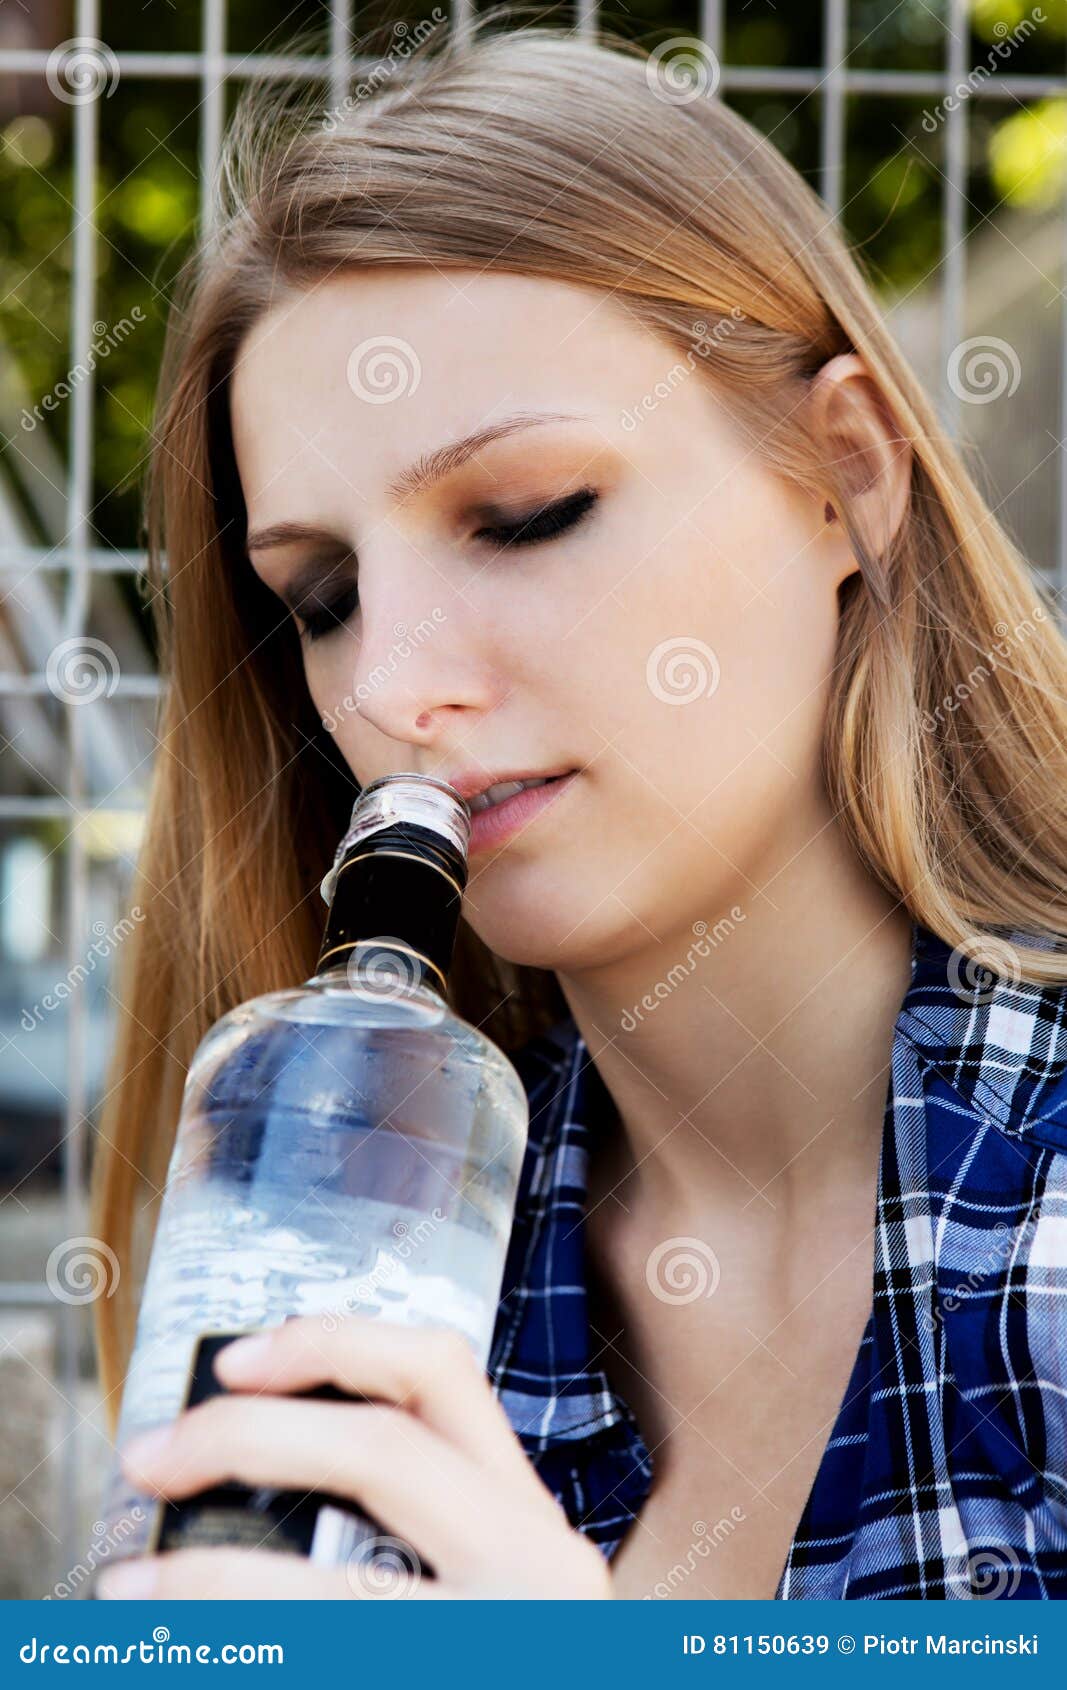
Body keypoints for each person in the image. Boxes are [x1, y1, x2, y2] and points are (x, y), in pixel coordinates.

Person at [91, 15, 1067, 1600]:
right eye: (324, 595)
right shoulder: (338, 1241)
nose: (395, 686)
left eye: (527, 514)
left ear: (848, 478)